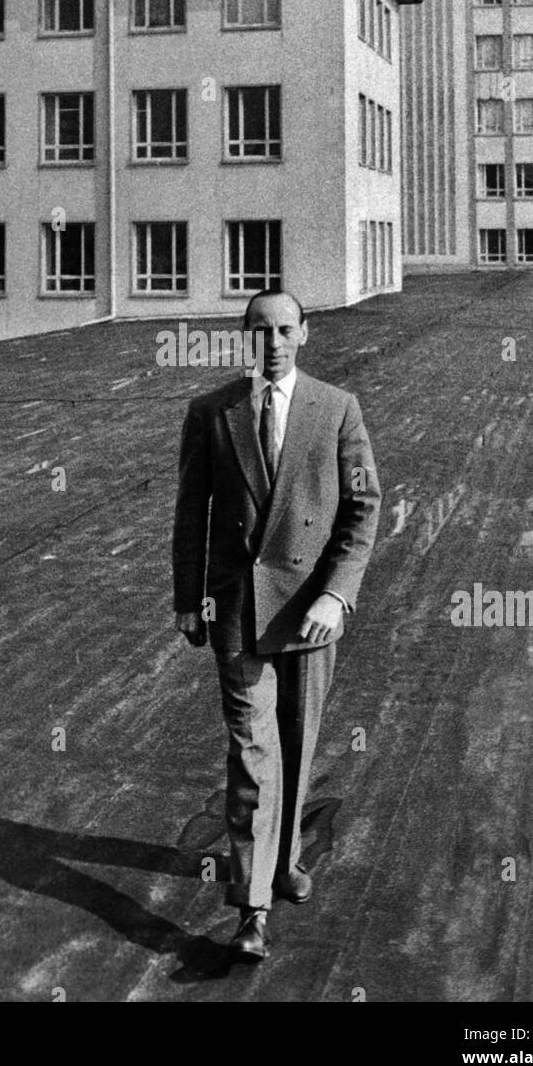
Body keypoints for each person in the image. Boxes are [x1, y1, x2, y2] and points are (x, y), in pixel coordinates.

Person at [172, 290, 382, 960]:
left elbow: (362, 509)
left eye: (285, 328)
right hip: (235, 611)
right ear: (245, 337)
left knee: (298, 740)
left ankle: (285, 856)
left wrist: (338, 596)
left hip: (311, 612)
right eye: (259, 329)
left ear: (306, 333)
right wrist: (187, 599)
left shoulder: (337, 408)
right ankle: (252, 907)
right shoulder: (212, 413)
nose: (273, 341)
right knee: (253, 755)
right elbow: (191, 515)